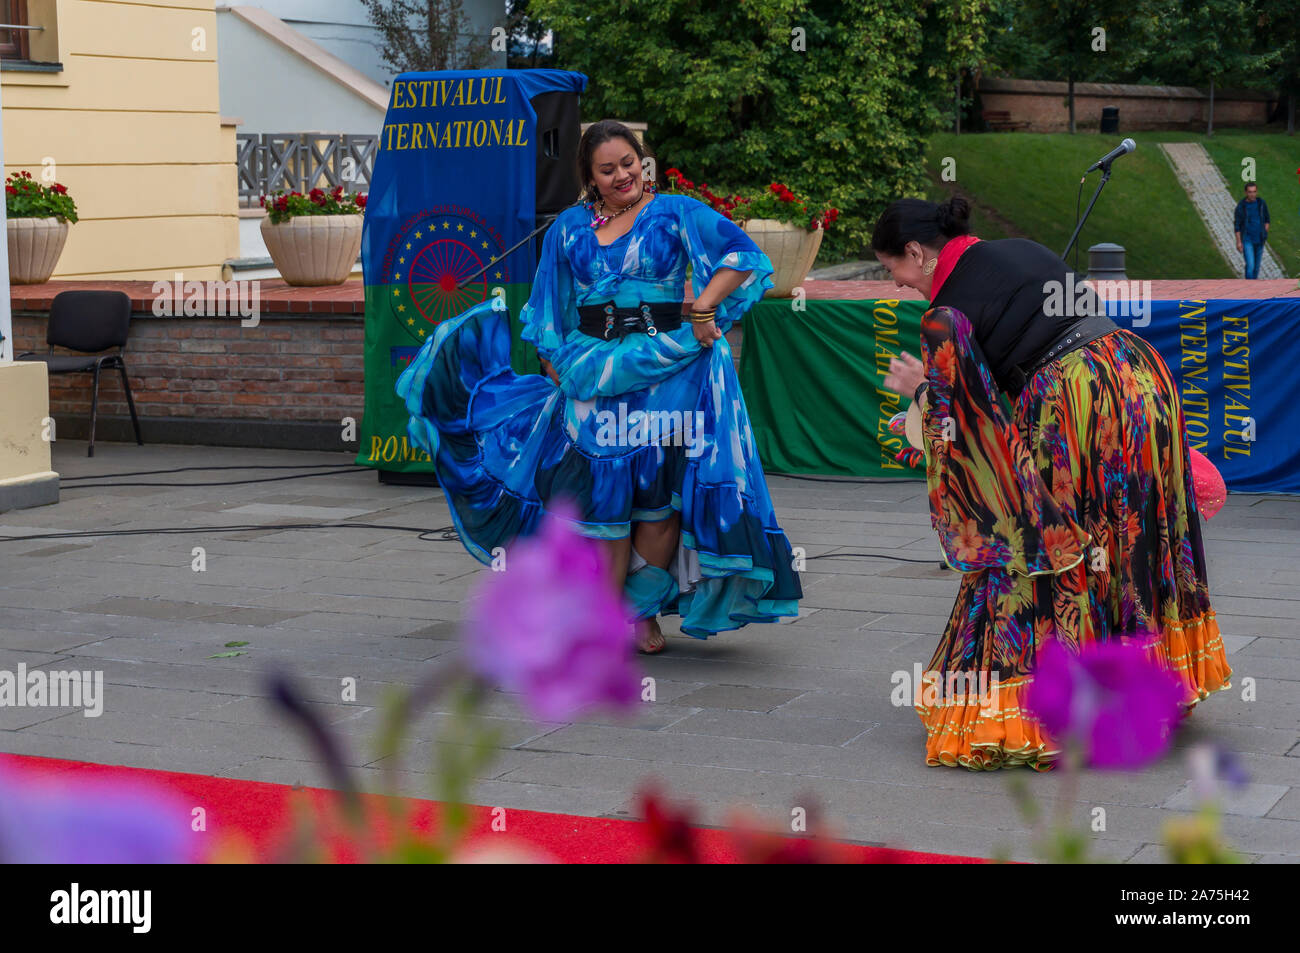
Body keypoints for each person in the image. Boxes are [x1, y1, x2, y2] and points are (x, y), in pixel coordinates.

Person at [397, 120, 801, 654]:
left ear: (643, 159)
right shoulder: (567, 227)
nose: (622, 176)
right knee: (602, 502)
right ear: (589, 176)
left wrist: (703, 306)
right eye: (607, 170)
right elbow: (549, 307)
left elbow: (742, 257)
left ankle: (640, 615)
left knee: (657, 499)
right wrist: (553, 362)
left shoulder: (673, 212)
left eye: (628, 164)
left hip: (668, 371)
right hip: (592, 374)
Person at [873, 196, 1232, 771]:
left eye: (892, 269)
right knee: (1126, 538)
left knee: (1044, 542)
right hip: (1139, 378)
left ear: (915, 252)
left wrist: (919, 396)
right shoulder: (1023, 251)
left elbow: (967, 428)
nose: (896, 284)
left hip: (1077, 398)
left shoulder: (945, 314)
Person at [1234, 182, 1270, 279]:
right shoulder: (1241, 206)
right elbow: (1237, 225)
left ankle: (1254, 287)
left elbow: (1267, 220)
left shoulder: (1261, 203)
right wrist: (1238, 242)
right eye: (1250, 192)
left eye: (1254, 192)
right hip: (1247, 240)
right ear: (1246, 192)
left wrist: (1265, 232)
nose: (1252, 194)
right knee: (1250, 266)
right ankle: (1249, 287)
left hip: (1260, 239)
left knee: (1256, 268)